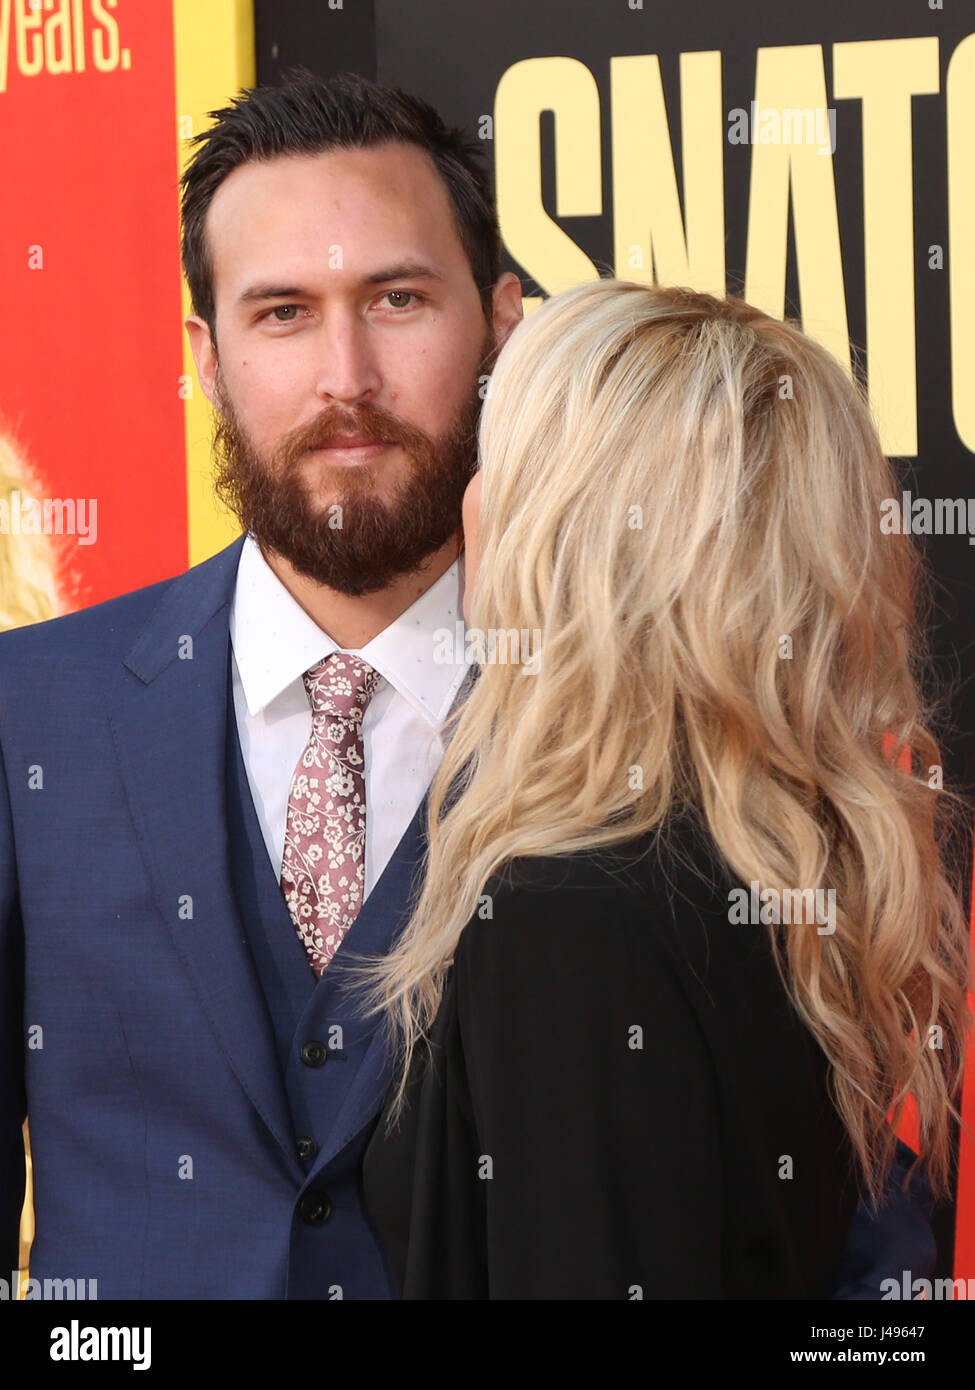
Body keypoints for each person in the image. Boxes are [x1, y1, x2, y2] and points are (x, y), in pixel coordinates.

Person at [0, 70, 947, 1300]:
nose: (346, 374)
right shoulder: (35, 711)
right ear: (207, 357)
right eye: (282, 312)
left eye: (396, 298)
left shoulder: (670, 733)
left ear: (506, 324)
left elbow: (852, 1225)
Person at [359, 279, 973, 1299]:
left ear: (565, 540)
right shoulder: (802, 873)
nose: (469, 505)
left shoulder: (566, 918)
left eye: (494, 465)